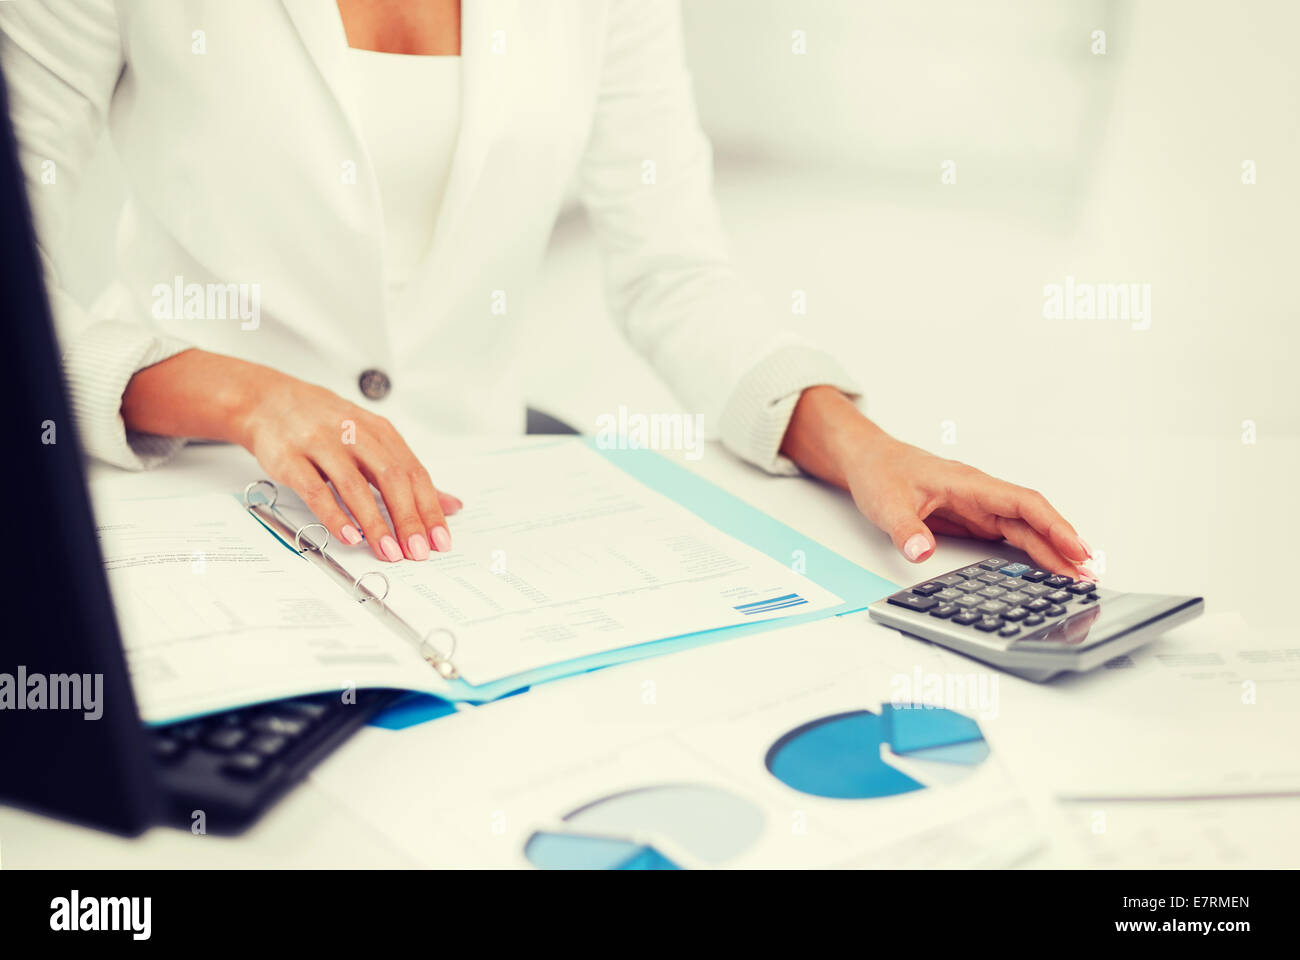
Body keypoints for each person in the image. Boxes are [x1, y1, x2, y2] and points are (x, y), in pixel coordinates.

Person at [1, 0, 1094, 577]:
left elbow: (674, 270)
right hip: (189, 493)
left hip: (468, 518)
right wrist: (235, 394)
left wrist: (863, 445)